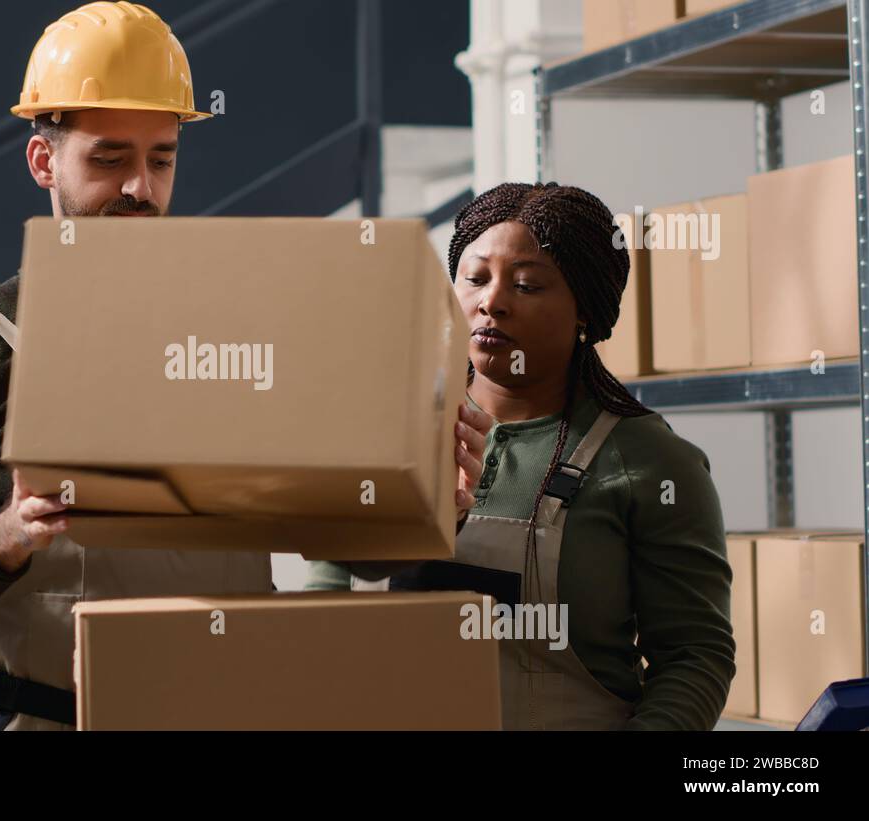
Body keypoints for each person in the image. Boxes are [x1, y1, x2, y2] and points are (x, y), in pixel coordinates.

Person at [0, 0, 493, 731]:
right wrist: (11, 530)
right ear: (44, 159)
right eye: (110, 157)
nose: (141, 187)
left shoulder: (251, 331)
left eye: (161, 157)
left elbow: (347, 552)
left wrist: (433, 499)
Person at [307, 182, 736, 731]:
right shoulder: (390, 430)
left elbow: (694, 656)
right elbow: (327, 585)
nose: (492, 302)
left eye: (528, 284)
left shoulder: (649, 462)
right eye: (475, 278)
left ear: (586, 308)